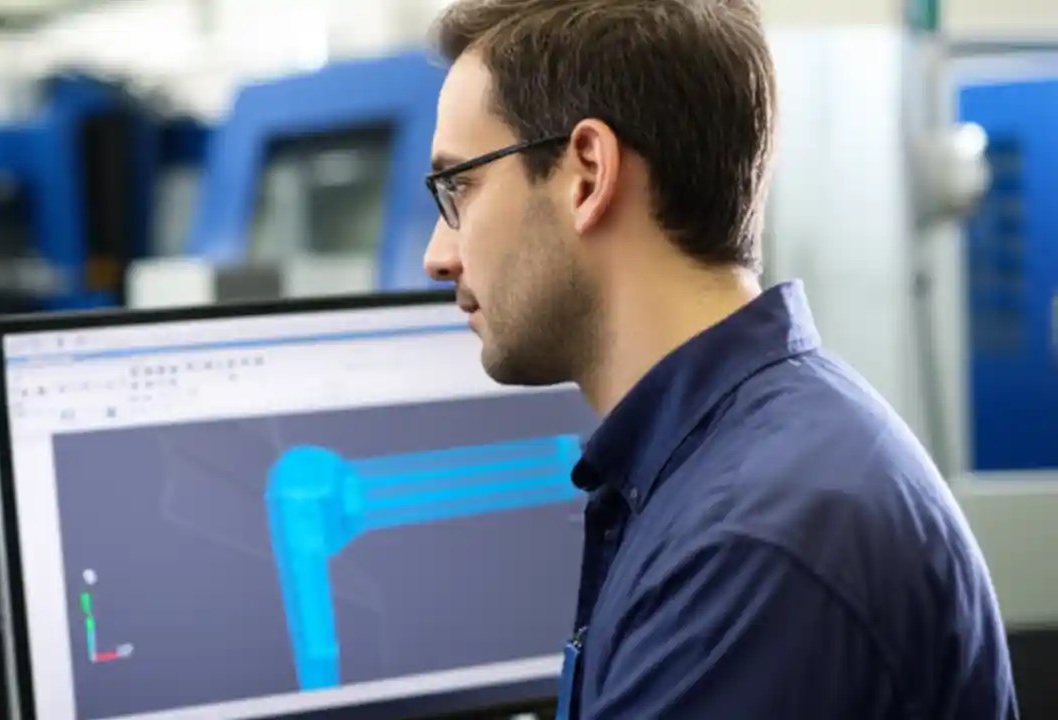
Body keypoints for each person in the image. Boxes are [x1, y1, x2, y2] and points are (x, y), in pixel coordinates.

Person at [421, 0, 1018, 718]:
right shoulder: (741, 465)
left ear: (586, 173)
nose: (438, 255)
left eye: (460, 187)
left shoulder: (754, 547)